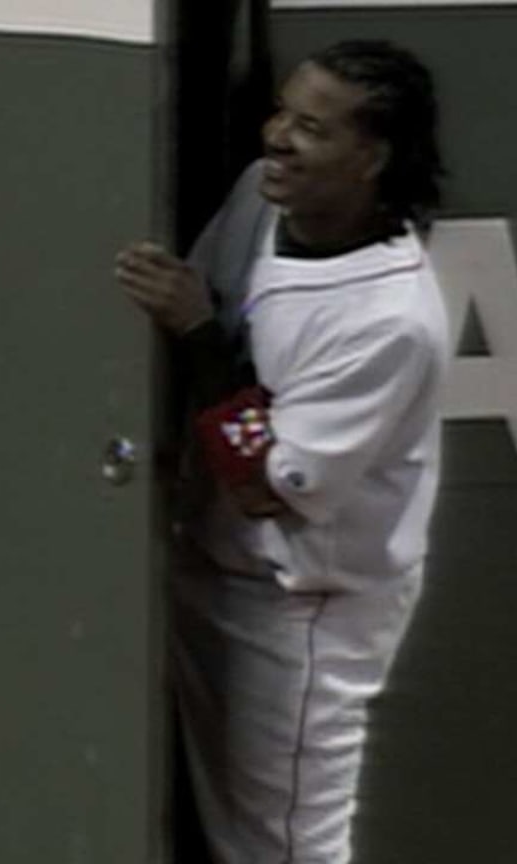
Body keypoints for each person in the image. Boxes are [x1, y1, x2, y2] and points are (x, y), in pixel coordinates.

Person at [113, 39, 448, 864]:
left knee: (287, 852)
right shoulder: (263, 202)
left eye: (312, 127)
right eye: (284, 113)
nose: (279, 138)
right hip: (208, 566)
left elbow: (268, 486)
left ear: (372, 157)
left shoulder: (389, 316)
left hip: (298, 616)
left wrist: (197, 332)